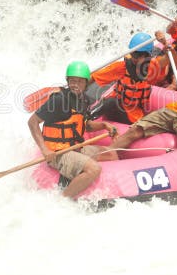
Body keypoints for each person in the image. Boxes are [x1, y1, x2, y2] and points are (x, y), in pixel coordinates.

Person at [28, 61, 119, 199]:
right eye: (72, 81)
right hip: (58, 152)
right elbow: (32, 122)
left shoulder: (84, 100)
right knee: (94, 169)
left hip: (75, 147)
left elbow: (85, 124)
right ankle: (63, 200)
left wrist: (104, 125)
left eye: (79, 81)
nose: (75, 84)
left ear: (86, 83)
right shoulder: (59, 100)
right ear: (68, 81)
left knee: (111, 154)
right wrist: (45, 150)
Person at [89, 32, 167, 125]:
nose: (134, 58)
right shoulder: (122, 67)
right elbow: (94, 77)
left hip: (135, 113)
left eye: (138, 55)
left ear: (147, 56)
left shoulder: (153, 67)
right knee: (110, 102)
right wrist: (78, 85)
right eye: (133, 53)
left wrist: (164, 42)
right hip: (117, 106)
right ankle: (87, 118)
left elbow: (167, 57)